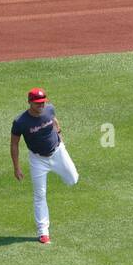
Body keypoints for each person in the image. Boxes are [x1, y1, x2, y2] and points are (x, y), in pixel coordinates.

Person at [11, 86, 79, 244]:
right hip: (38, 160)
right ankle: (43, 232)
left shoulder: (49, 109)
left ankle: (61, 170)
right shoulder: (20, 122)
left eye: (43, 102)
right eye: (38, 103)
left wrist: (60, 135)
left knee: (73, 179)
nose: (41, 105)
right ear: (29, 103)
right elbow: (14, 144)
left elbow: (54, 120)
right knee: (39, 195)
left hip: (58, 152)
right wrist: (17, 167)